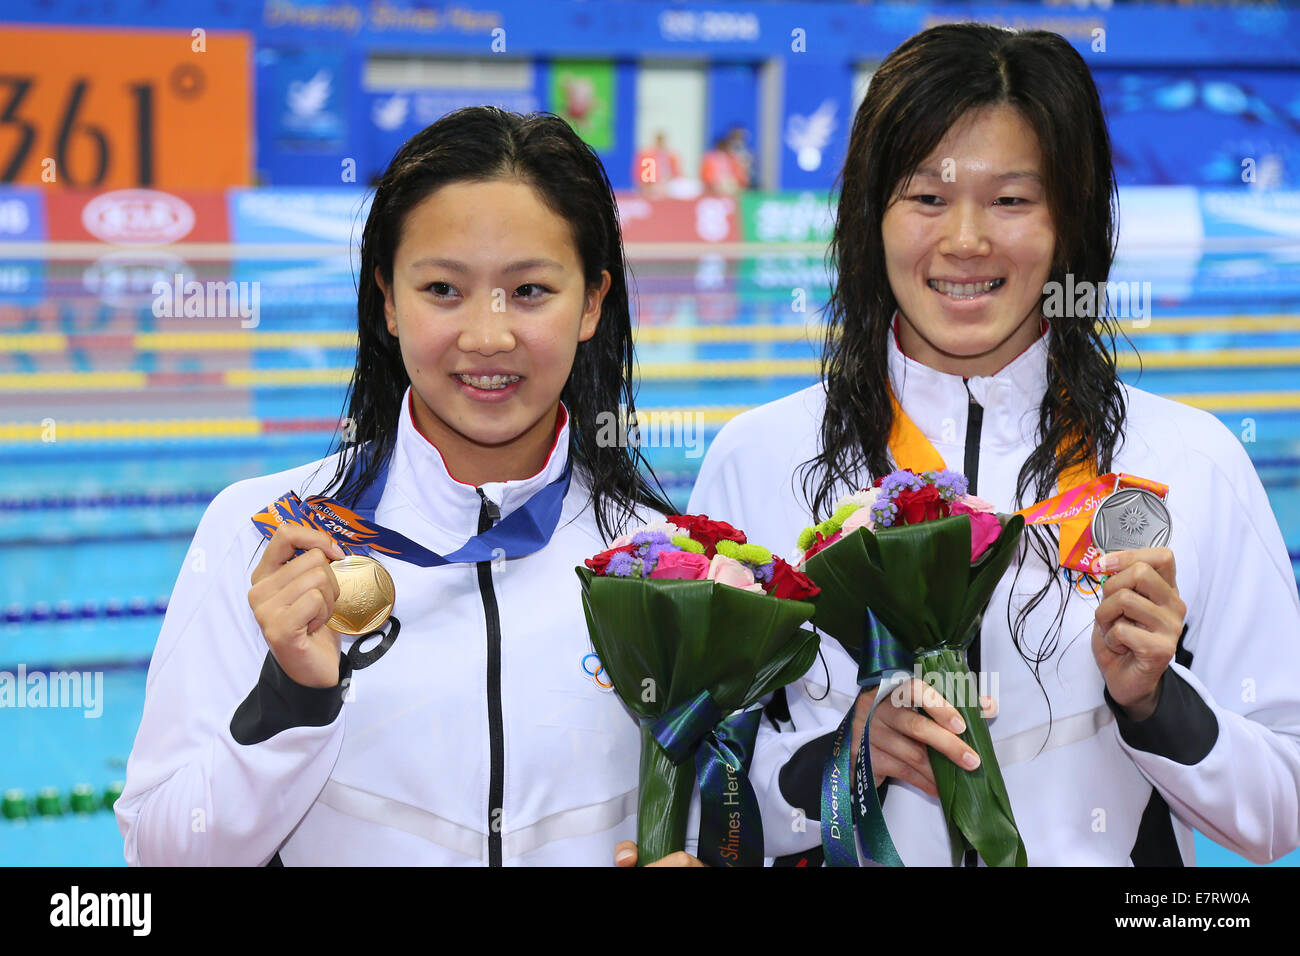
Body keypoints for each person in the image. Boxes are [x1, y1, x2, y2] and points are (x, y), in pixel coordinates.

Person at [688, 24, 1300, 866]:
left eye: (1011, 200)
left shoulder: (1191, 464)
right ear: (871, 215)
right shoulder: (757, 460)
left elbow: (1282, 813)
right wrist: (843, 763)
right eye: (927, 197)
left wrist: (1158, 705)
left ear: (1070, 223)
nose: (966, 240)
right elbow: (699, 799)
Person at [115, 106, 720, 866]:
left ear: (593, 303)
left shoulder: (663, 563)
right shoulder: (266, 533)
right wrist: (293, 700)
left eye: (530, 290)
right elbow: (160, 854)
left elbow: (728, 813)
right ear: (389, 301)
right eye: (442, 288)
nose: (487, 336)